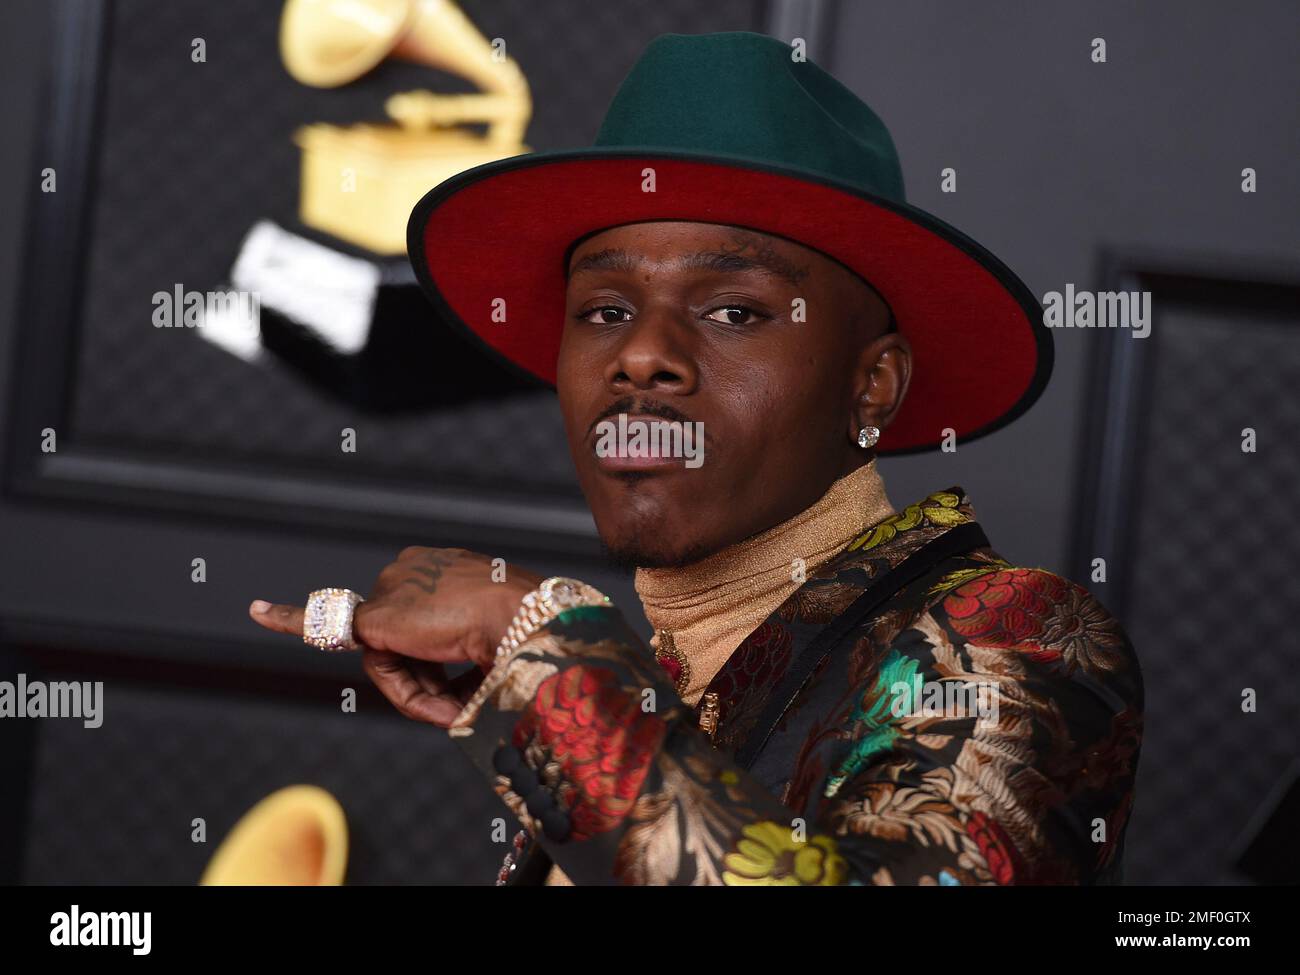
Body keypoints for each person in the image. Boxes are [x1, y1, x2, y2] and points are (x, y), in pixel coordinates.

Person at [250, 31, 1142, 885]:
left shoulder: (1012, 629)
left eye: (734, 312)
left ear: (872, 386)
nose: (641, 356)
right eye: (604, 311)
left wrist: (542, 651)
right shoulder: (658, 674)